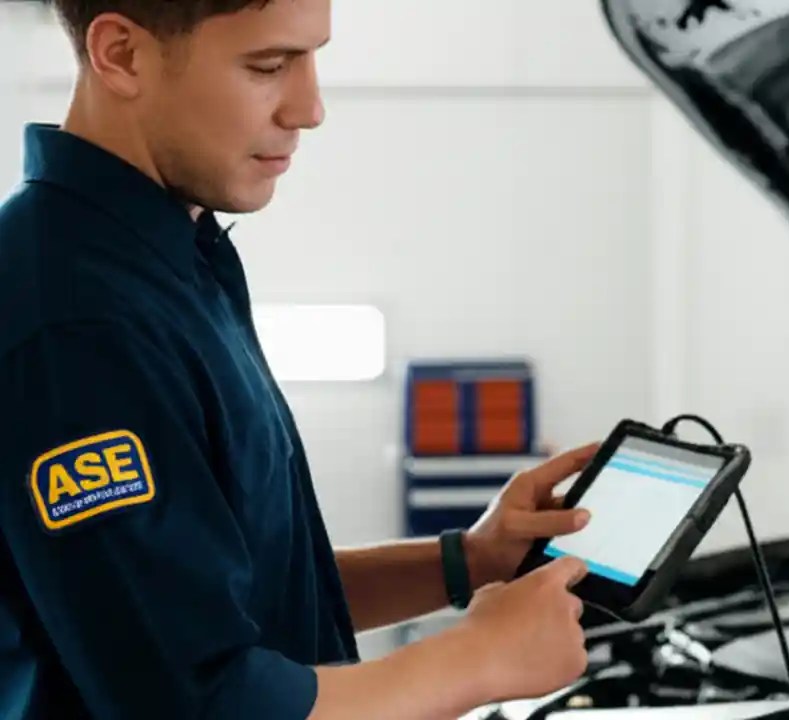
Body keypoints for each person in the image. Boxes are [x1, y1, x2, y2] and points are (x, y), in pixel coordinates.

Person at [0, 1, 599, 718]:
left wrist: (471, 560)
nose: (310, 108)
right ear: (122, 55)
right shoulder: (74, 320)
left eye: (313, 58)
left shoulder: (178, 264)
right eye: (269, 66)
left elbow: (238, 598)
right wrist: (479, 657)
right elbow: (200, 701)